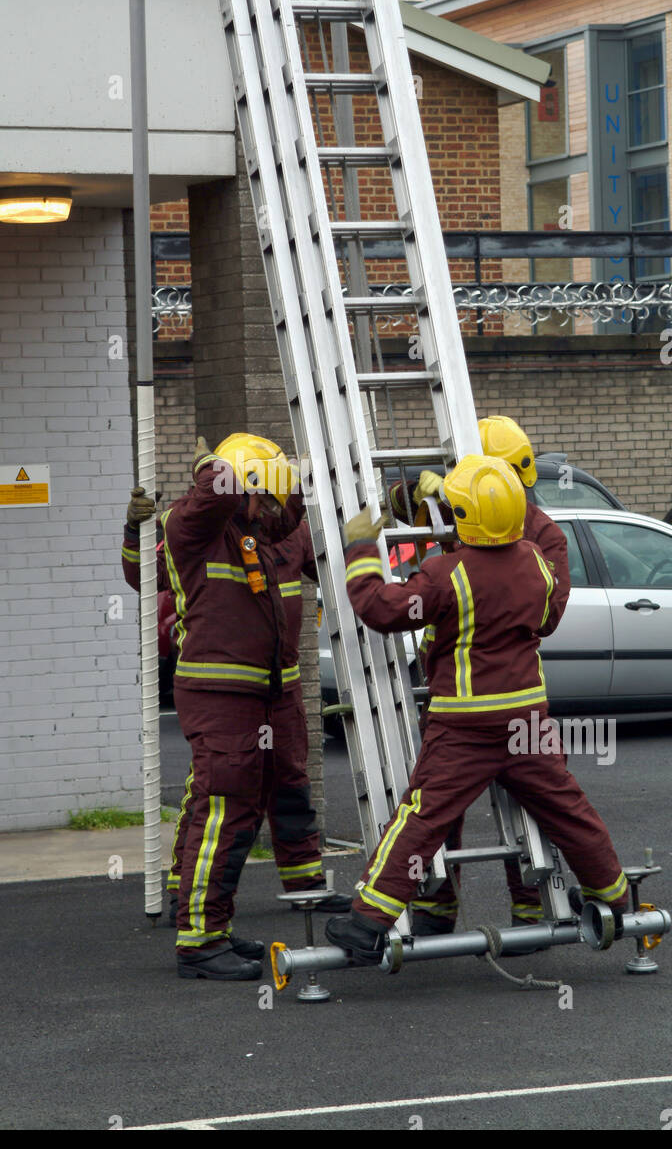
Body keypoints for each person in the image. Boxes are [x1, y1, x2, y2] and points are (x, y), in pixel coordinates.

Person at [325, 454, 628, 965]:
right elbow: (541, 613)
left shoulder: (446, 573)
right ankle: (615, 900)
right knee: (570, 812)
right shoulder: (537, 562)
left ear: (464, 516)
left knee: (423, 818)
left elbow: (381, 608)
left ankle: (368, 921)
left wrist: (360, 552)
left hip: (464, 725)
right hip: (528, 721)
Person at [126, 433, 349, 982]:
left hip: (274, 690)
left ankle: (287, 892)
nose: (272, 507)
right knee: (223, 809)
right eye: (263, 494)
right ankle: (200, 938)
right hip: (222, 693)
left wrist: (311, 480)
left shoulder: (274, 532)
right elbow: (143, 573)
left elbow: (310, 537)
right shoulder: (196, 527)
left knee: (275, 789)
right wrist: (213, 464)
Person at [389, 416, 570, 942]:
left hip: (507, 691)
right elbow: (397, 505)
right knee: (442, 804)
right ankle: (436, 904)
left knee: (531, 801)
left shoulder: (543, 536)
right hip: (453, 687)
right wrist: (420, 489)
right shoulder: (466, 500)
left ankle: (531, 906)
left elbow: (549, 616)